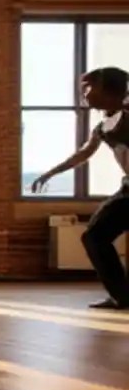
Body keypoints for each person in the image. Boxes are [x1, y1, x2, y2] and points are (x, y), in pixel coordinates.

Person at [31, 66, 129, 310]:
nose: (85, 93)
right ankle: (122, 296)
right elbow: (84, 153)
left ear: (108, 91)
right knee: (95, 236)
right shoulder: (103, 126)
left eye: (90, 88)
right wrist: (50, 173)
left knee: (95, 236)